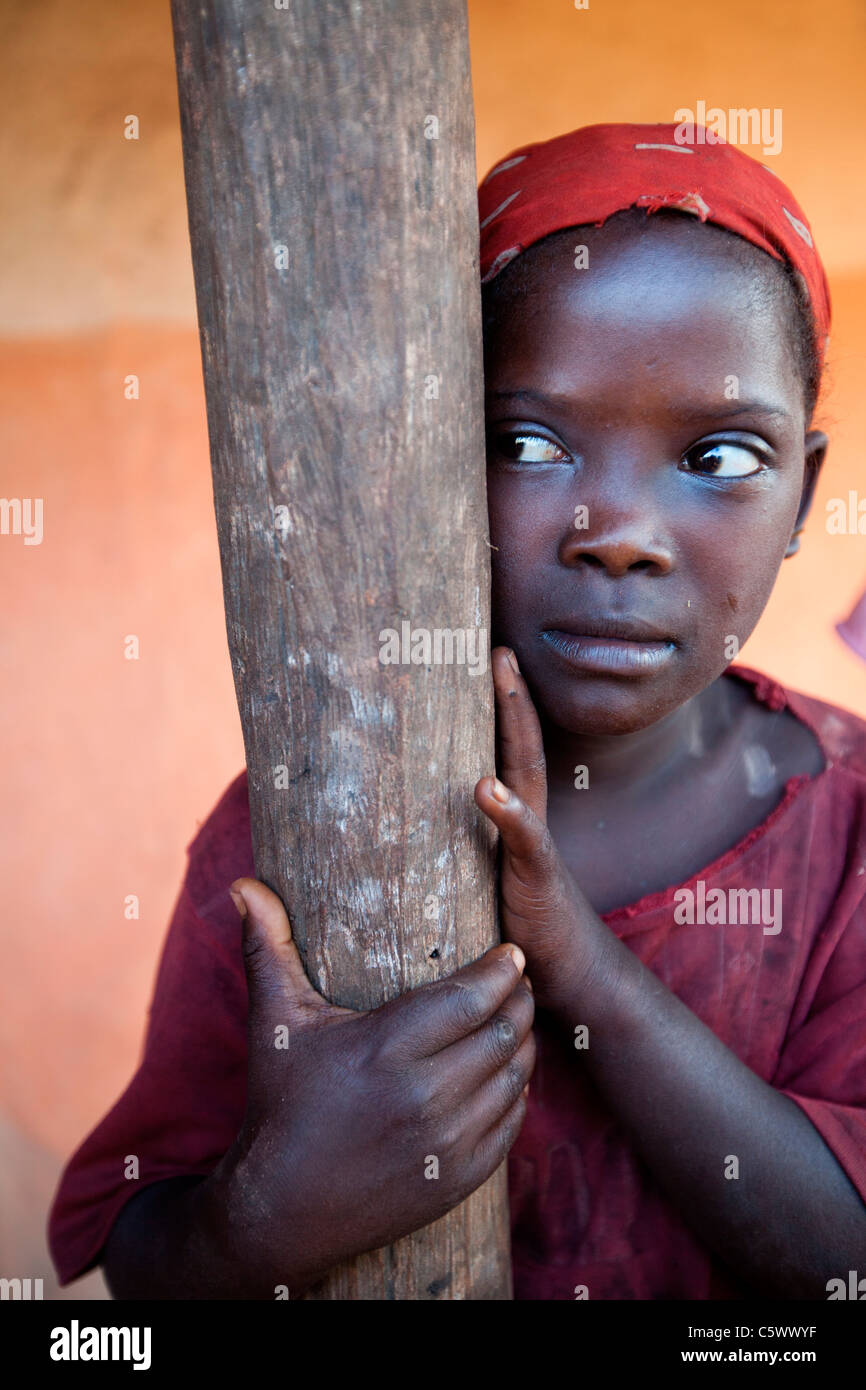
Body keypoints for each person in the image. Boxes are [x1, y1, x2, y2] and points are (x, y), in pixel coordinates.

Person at [49, 123, 866, 1300]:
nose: (619, 535)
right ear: (426, 462)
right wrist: (262, 1215)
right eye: (522, 442)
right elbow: (137, 1256)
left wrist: (579, 965)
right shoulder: (294, 823)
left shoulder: (844, 831)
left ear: (804, 495)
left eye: (719, 456)